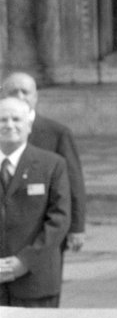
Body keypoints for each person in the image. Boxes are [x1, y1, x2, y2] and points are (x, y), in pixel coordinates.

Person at [2, 72, 86, 252]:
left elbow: (73, 181)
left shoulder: (57, 133)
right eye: (13, 92)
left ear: (35, 96)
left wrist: (77, 227)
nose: (20, 96)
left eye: (25, 92)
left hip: (45, 229)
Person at [0, 96, 71, 307]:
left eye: (16, 119)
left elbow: (59, 219)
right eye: (2, 120)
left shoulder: (52, 165)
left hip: (36, 282)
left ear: (29, 125)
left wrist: (25, 261)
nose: (9, 125)